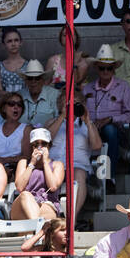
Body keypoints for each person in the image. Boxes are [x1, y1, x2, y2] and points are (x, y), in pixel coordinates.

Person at [48, 86, 100, 221]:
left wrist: (87, 121)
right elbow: (46, 140)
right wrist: (62, 117)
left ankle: (71, 220)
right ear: (61, 104)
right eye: (67, 102)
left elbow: (96, 146)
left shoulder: (87, 125)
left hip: (77, 166)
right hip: (53, 166)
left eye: (75, 102)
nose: (71, 106)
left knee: (79, 173)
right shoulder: (52, 122)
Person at [83, 45, 130, 180]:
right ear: (96, 68)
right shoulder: (87, 88)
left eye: (109, 68)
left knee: (109, 130)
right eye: (102, 68)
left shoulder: (122, 86)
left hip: (114, 129)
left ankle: (107, 177)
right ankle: (84, 177)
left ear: (114, 69)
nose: (105, 71)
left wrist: (110, 119)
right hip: (90, 127)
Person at [13, 127, 63, 221]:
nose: (39, 147)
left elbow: (52, 186)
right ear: (32, 147)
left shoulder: (57, 165)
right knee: (25, 195)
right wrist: (32, 163)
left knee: (44, 218)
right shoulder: (23, 163)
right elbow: (19, 187)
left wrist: (45, 162)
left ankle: (34, 228)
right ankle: (36, 226)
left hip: (46, 203)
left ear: (49, 146)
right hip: (23, 204)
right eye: (36, 144)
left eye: (43, 144)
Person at [18, 59, 61, 128]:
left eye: (37, 78)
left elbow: (59, 120)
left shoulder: (54, 95)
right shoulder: (19, 95)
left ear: (43, 80)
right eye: (30, 78)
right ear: (26, 81)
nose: (33, 81)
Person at [0, 28, 28, 104]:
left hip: (24, 101)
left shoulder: (29, 65)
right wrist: (12, 97)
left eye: (16, 40)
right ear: (4, 45)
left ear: (21, 42)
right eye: (9, 41)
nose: (13, 44)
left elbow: (30, 89)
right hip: (5, 101)